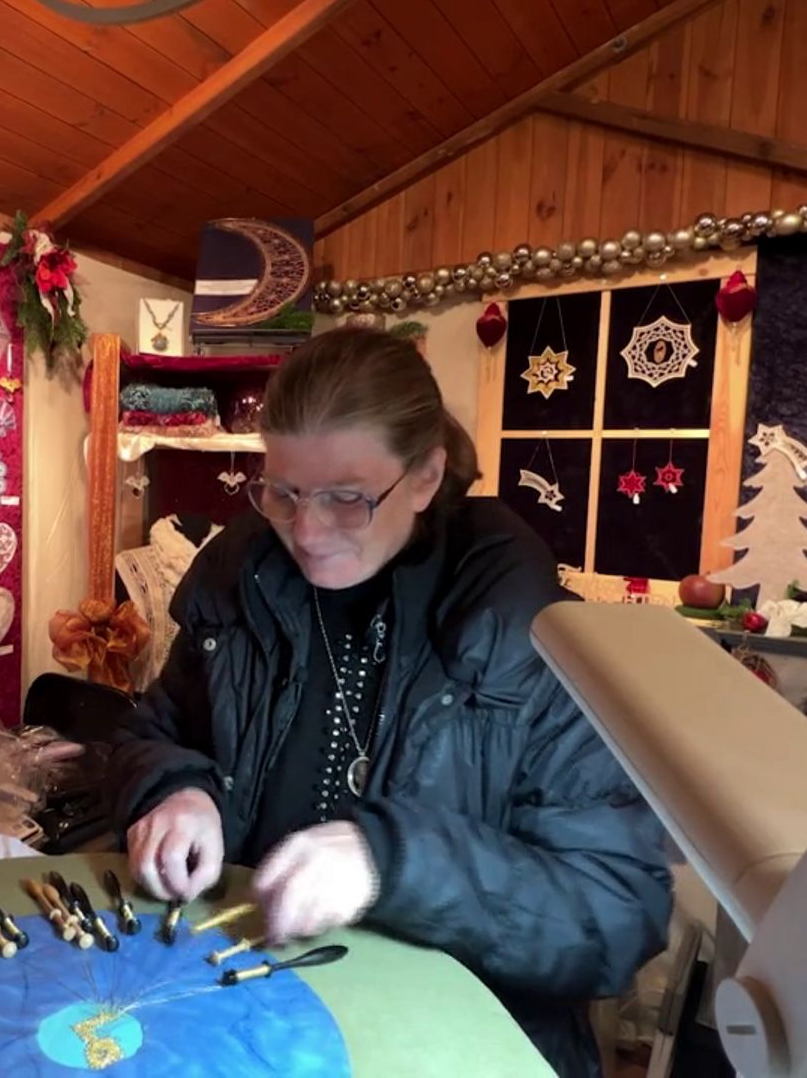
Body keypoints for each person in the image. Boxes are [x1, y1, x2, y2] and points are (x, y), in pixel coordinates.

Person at [109, 327, 672, 1076]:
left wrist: (396, 865)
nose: (307, 532)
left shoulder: (531, 636)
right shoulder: (238, 588)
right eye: (283, 492)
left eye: (347, 499)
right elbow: (153, 730)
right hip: (250, 1020)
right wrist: (176, 787)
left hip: (453, 1047)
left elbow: (615, 915)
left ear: (425, 477)